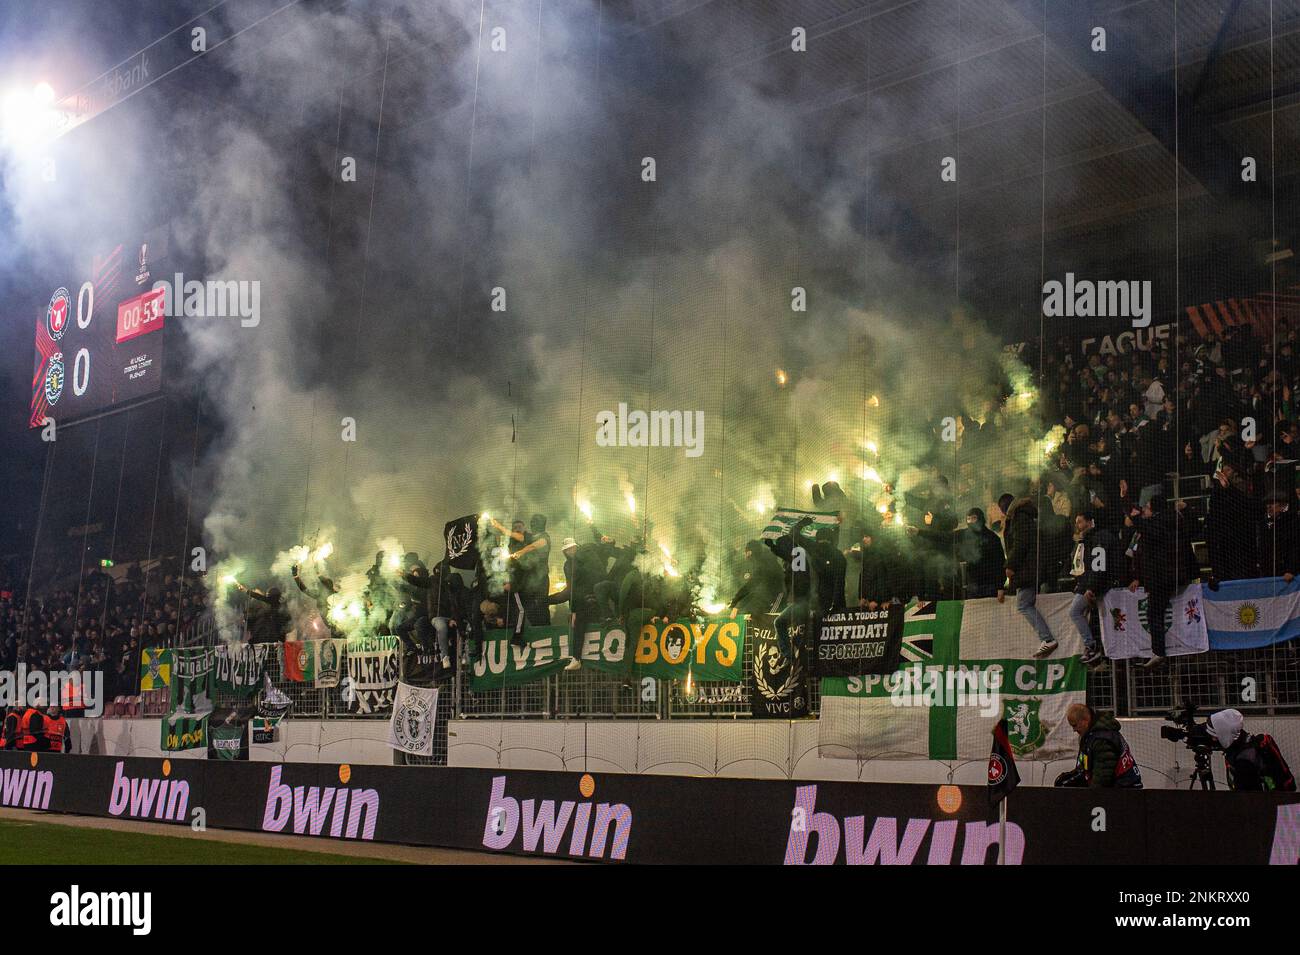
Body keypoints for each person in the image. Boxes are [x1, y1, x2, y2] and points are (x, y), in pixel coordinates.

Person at [1127, 493, 1199, 668]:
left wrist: (1127, 503)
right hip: (1178, 577)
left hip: (1160, 579)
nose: (1145, 510)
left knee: (1154, 614)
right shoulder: (1176, 520)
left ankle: (1158, 652)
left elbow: (1141, 524)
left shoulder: (1158, 524)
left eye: (1147, 507)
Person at [999, 496, 1057, 658]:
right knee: (1024, 602)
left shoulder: (1020, 518)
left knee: (1023, 604)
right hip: (1031, 568)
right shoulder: (1024, 517)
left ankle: (1048, 639)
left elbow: (1020, 544)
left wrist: (1010, 565)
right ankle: (1046, 639)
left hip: (1027, 570)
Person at [1067, 510, 1119, 666]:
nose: (1078, 526)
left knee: (1076, 611)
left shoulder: (1098, 538)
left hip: (1098, 585)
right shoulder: (1091, 539)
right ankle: (1098, 652)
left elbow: (1098, 565)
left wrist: (1091, 587)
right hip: (1094, 584)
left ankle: (1092, 647)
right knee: (1096, 617)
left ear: (1090, 522)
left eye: (1080, 522)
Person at [1054, 703, 1142, 789]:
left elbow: (1102, 778)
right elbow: (1086, 767)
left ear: (1085, 721)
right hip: (1120, 787)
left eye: (1075, 725)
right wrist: (1072, 777)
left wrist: (1090, 798)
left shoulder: (1101, 740)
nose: (1074, 730)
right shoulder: (1091, 735)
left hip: (1126, 791)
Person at [1208, 708, 1296, 792]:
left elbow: (1249, 800)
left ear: (1225, 735)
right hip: (1278, 797)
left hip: (1272, 802)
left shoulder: (1244, 761)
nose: (1213, 739)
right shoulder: (1246, 742)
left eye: (1215, 736)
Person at [765, 517, 817, 658]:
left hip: (802, 601)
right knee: (801, 635)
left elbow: (790, 559)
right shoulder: (796, 558)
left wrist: (773, 548)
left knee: (779, 622)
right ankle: (800, 661)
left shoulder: (798, 556)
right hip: (802, 600)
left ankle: (788, 655)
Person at [955, 507, 1005, 599]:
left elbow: (999, 563)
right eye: (968, 519)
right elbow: (946, 538)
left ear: (980, 518)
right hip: (972, 586)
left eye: (974, 518)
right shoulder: (964, 536)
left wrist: (1000, 587)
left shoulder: (992, 538)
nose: (971, 522)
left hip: (990, 585)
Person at [728, 540, 783, 617]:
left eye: (745, 552)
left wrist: (737, 605)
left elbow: (752, 587)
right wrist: (735, 601)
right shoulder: (759, 563)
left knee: (770, 618)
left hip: (777, 597)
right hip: (767, 598)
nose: (744, 554)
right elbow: (751, 586)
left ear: (749, 552)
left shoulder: (764, 564)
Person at [1255, 490, 1300, 581]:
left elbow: (1295, 547)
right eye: (1267, 503)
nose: (1269, 506)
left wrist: (1291, 570)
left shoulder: (1292, 522)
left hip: (1286, 573)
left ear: (1283, 506)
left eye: (1273, 503)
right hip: (1267, 573)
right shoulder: (1263, 524)